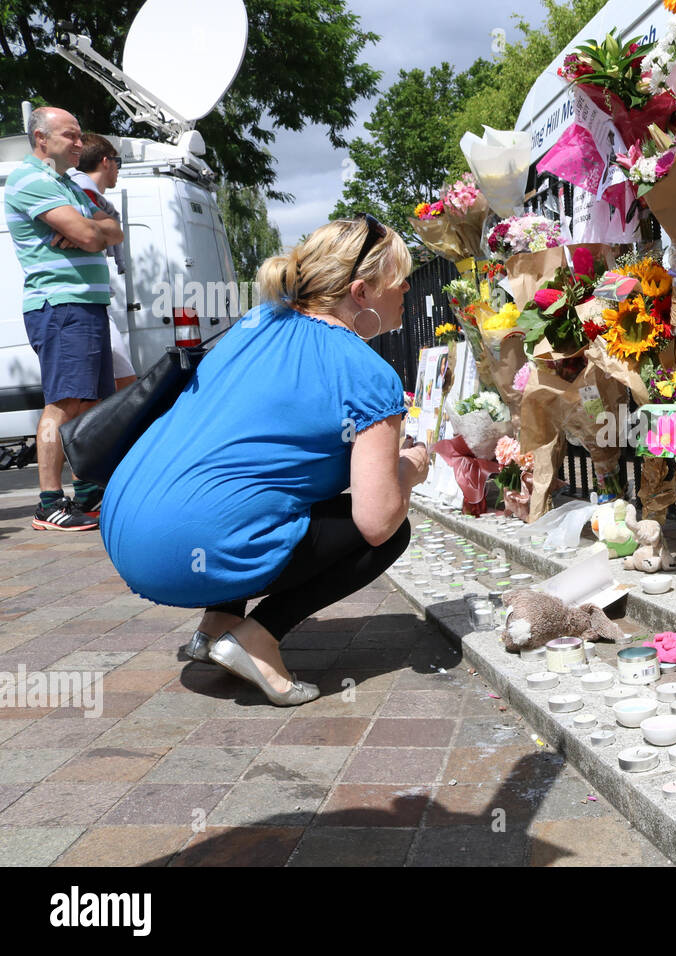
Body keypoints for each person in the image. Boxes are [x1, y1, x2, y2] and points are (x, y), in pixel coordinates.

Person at [99, 216, 426, 706]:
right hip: (185, 550)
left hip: (125, 530)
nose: (406, 287)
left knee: (255, 492)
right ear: (361, 292)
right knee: (391, 529)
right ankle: (258, 637)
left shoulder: (255, 324)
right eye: (400, 275)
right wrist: (410, 466)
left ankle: (217, 625)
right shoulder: (366, 372)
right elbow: (376, 521)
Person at [3, 107, 125, 531]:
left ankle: (88, 496)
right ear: (41, 139)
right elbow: (95, 235)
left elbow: (113, 230)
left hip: (83, 306)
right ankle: (48, 504)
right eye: (71, 136)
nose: (80, 143)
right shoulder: (29, 180)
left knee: (92, 405)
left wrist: (91, 231)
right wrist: (91, 233)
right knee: (66, 403)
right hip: (61, 306)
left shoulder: (65, 183)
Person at [70, 132, 137, 391]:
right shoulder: (78, 189)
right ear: (106, 161)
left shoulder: (92, 198)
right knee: (82, 399)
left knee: (119, 386)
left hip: (94, 303)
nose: (118, 170)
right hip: (80, 304)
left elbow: (111, 233)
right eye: (117, 163)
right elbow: (95, 234)